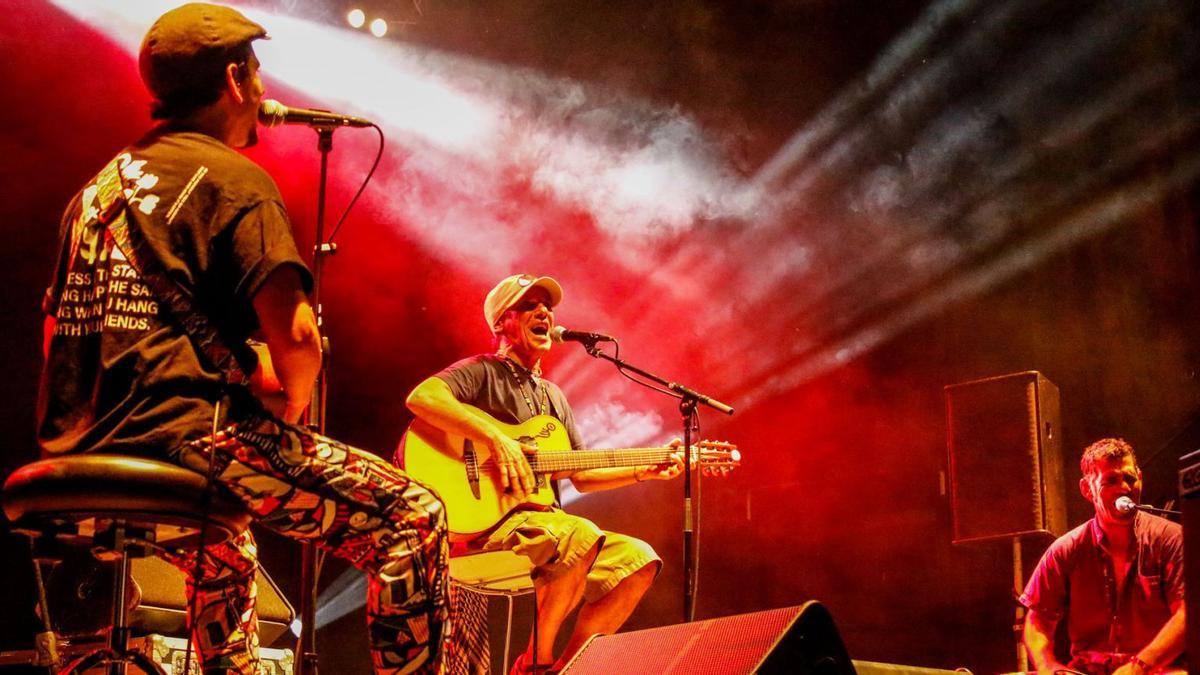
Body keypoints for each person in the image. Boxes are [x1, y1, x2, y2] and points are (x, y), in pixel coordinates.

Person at [36, 4, 448, 673]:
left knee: (227, 549)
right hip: (191, 439)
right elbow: (299, 337)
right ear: (235, 79)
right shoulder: (235, 180)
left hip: (78, 441)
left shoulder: (95, 191)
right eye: (257, 72)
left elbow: (59, 329)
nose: (263, 91)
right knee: (414, 516)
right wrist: (288, 409)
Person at [404, 274, 684, 673]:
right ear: (502, 323)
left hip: (545, 528)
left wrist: (647, 470)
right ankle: (534, 663)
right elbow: (422, 398)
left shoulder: (554, 397)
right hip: (490, 527)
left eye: (547, 308)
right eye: (529, 306)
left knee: (638, 560)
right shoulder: (482, 371)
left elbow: (582, 475)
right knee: (580, 534)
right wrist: (498, 440)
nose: (544, 313)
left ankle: (567, 669)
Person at [1021, 438, 1186, 674]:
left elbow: (1187, 614)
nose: (1124, 488)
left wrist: (1138, 665)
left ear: (1140, 478)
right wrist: (1049, 667)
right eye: (1111, 481)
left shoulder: (1171, 539)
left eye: (1129, 478)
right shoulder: (1066, 549)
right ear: (1087, 489)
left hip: (1158, 669)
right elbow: (1037, 622)